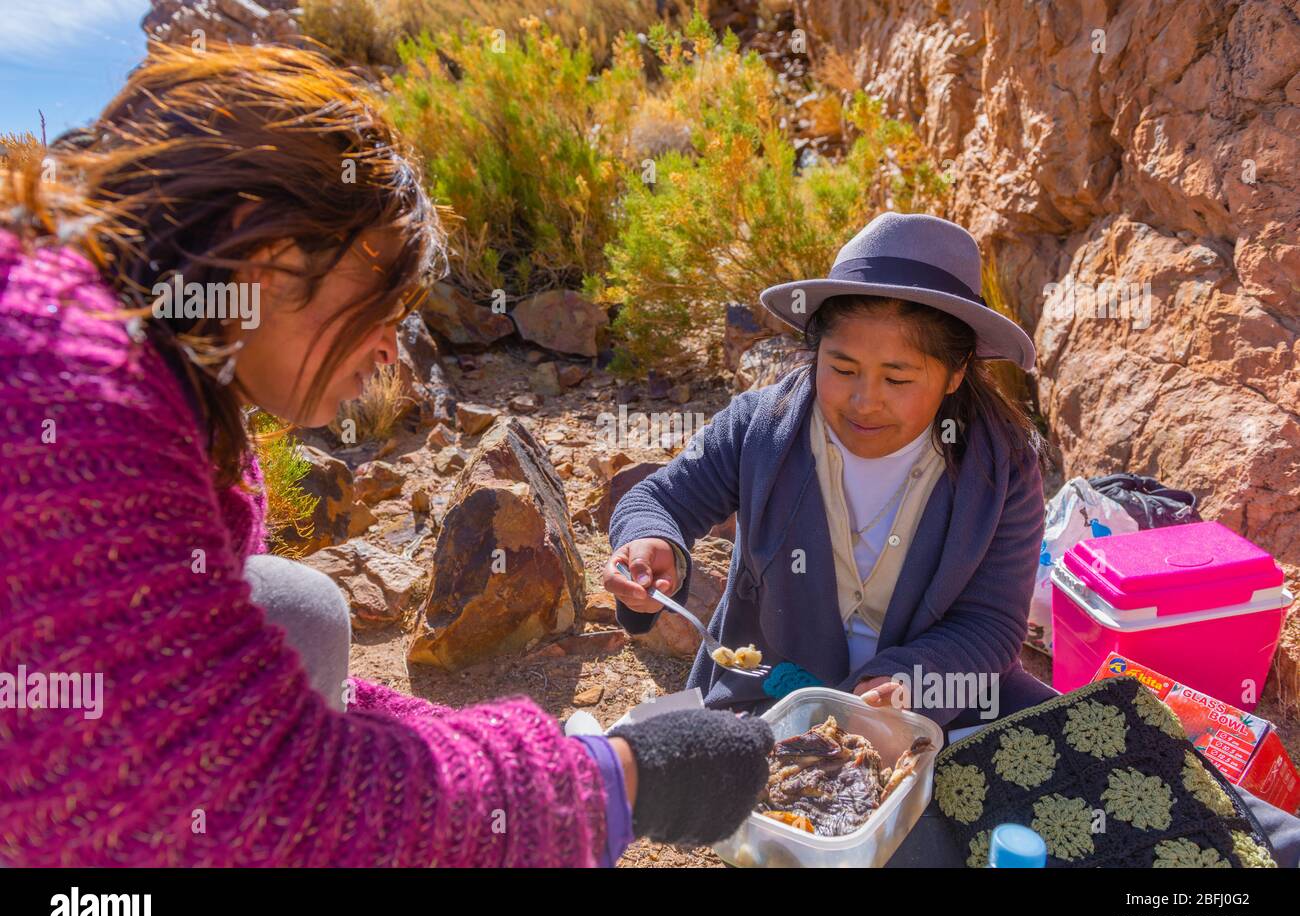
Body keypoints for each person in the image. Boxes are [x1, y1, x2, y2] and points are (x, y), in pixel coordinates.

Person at [0, 43, 773, 867]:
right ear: (266, 255)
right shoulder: (76, 401)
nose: (389, 355)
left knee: (293, 610)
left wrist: (545, 753)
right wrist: (618, 779)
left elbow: (261, 699)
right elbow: (246, 797)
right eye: (377, 309)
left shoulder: (163, 364)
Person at [604, 212, 1057, 730]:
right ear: (817, 351)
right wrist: (650, 542)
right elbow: (658, 500)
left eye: (897, 379)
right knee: (645, 762)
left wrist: (906, 685)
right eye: (842, 369)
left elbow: (990, 624)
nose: (864, 401)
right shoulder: (761, 430)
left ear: (955, 373)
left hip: (940, 708)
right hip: (767, 694)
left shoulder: (1001, 468)